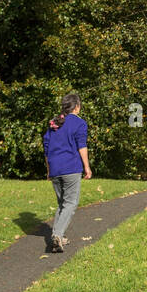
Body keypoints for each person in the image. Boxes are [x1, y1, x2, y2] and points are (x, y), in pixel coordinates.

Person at [42, 92, 92, 253]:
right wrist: (87, 167)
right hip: (71, 167)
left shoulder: (55, 123)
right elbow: (81, 146)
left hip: (55, 168)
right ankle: (57, 235)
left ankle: (58, 237)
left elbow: (46, 149)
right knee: (70, 203)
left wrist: (49, 171)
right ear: (77, 106)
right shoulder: (79, 123)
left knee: (62, 203)